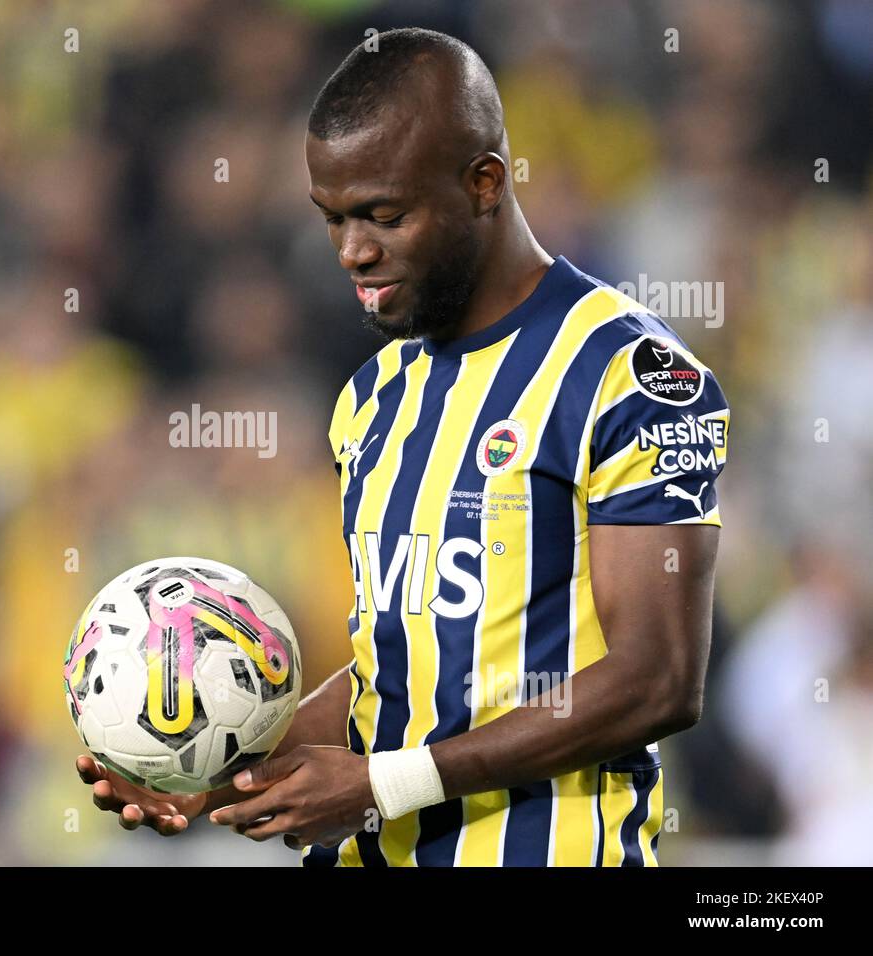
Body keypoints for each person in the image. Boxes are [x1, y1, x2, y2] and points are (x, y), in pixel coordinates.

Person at [77, 27, 729, 866]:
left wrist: (386, 785)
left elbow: (657, 679)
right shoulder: (372, 395)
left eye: (384, 215)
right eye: (334, 217)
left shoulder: (627, 375)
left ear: (484, 182)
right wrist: (214, 773)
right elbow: (398, 671)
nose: (353, 250)